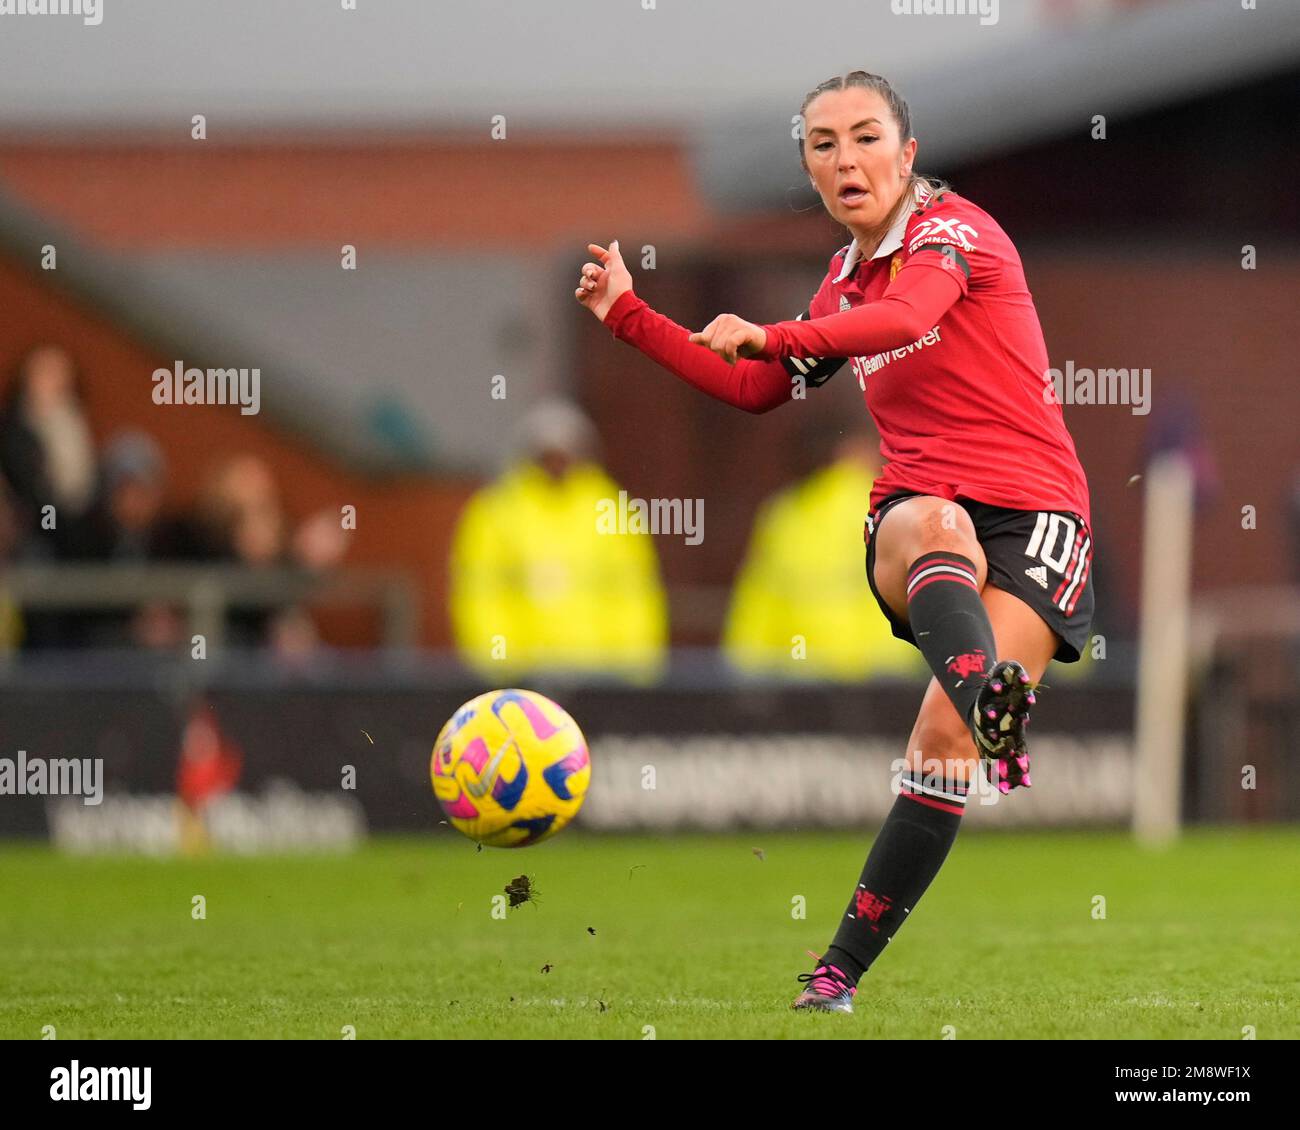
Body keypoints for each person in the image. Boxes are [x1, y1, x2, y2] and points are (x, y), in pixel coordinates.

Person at [575, 71, 1093, 1014]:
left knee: (940, 741)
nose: (846, 158)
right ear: (809, 168)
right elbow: (752, 390)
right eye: (823, 143)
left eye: (864, 136)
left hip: (1038, 515)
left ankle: (837, 972)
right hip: (922, 511)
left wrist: (774, 333)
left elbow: (905, 320)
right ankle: (994, 706)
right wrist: (630, 318)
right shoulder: (844, 281)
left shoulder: (955, 234)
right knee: (932, 524)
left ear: (908, 152)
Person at [448, 398, 667, 683]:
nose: (557, 462)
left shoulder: (610, 509)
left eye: (565, 452)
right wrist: (496, 664)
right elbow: (480, 593)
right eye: (548, 454)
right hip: (521, 680)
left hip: (600, 679)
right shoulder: (497, 511)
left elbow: (633, 593)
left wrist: (634, 670)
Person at [723, 427, 925, 681]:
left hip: (798, 674)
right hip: (877, 673)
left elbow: (758, 603)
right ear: (856, 449)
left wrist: (742, 674)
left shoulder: (785, 512)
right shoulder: (890, 507)